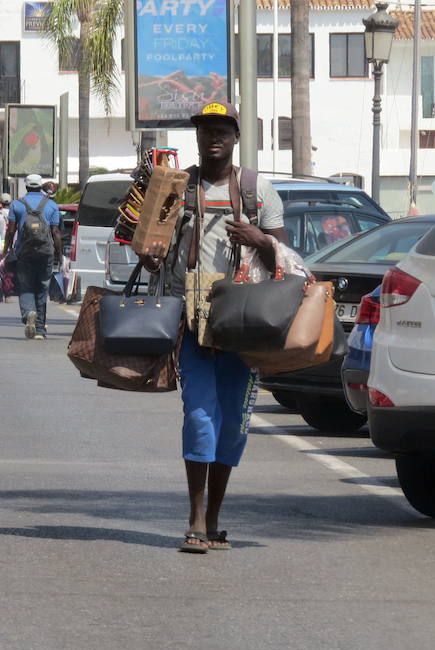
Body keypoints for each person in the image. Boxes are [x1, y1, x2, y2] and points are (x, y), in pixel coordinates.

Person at [142, 101, 286, 554]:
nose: (214, 137)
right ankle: (196, 517)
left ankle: (216, 517)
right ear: (198, 138)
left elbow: (285, 261)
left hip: (245, 326)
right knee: (200, 416)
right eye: (206, 130)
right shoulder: (174, 187)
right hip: (194, 324)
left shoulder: (259, 191)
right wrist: (150, 256)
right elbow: (149, 248)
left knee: (234, 427)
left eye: (223, 129)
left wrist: (259, 240)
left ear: (237, 136)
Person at [5, 174, 62, 340]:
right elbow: (56, 232)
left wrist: (6, 249)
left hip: (24, 253)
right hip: (46, 253)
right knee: (42, 289)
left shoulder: (17, 204)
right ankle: (40, 330)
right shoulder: (51, 205)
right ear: (41, 186)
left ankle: (29, 313)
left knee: (26, 286)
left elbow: (11, 230)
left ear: (27, 186)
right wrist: (60, 255)